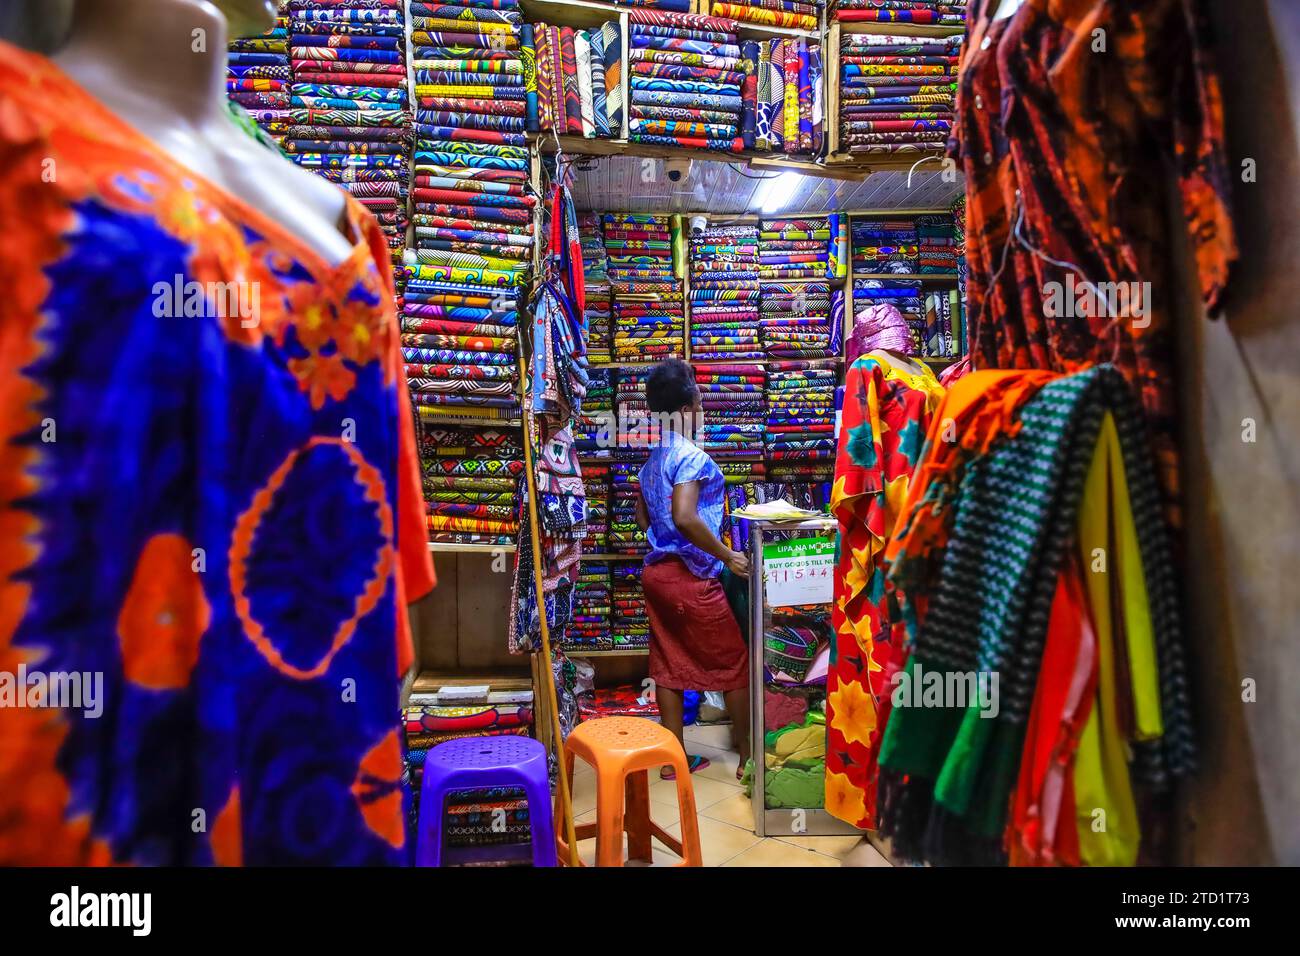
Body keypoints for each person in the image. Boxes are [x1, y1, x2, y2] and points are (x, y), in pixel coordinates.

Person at [635, 359, 751, 779]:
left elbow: (641, 511)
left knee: (668, 664)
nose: (702, 407)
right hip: (690, 578)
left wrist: (659, 541)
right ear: (686, 409)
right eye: (699, 400)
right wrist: (727, 555)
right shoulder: (690, 456)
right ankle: (747, 759)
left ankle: (674, 761)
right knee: (734, 662)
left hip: (657, 575)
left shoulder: (654, 458)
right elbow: (684, 515)